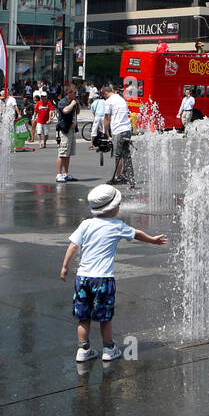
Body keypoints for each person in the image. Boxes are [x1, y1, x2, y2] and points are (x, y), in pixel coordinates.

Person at [59, 184, 167, 363]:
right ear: (112, 208)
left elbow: (73, 246)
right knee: (105, 317)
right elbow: (137, 234)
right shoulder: (117, 226)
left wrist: (64, 267)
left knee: (83, 317)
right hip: (103, 280)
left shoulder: (86, 224)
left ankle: (83, 349)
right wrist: (153, 240)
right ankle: (109, 348)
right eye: (118, 204)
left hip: (83, 278)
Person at [101, 83, 133, 186]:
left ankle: (117, 176)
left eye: (103, 95)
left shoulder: (109, 101)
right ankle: (128, 176)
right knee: (126, 154)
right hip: (127, 129)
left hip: (118, 130)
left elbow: (106, 118)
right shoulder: (121, 98)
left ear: (106, 93)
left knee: (117, 155)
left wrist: (105, 132)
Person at [55, 85, 80, 183]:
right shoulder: (63, 102)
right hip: (64, 130)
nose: (75, 94)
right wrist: (72, 104)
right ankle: (58, 174)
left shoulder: (73, 102)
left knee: (68, 153)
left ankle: (66, 173)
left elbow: (77, 113)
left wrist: (76, 104)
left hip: (72, 129)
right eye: (74, 92)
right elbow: (65, 111)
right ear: (68, 93)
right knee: (62, 152)